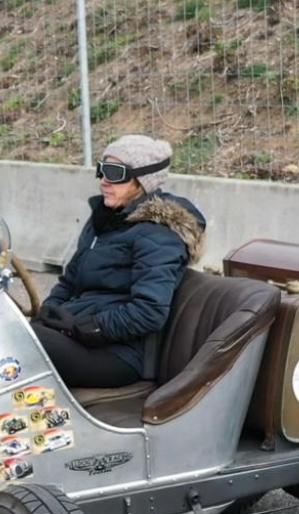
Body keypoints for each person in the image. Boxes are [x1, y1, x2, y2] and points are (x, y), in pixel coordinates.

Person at [32, 134, 206, 389]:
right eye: (102, 170)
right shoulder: (103, 222)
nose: (104, 180)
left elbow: (149, 311)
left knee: (19, 343)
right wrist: (48, 311)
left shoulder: (158, 233)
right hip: (77, 335)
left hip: (120, 354)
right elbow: (69, 281)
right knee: (7, 330)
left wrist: (87, 327)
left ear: (142, 181)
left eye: (115, 173)